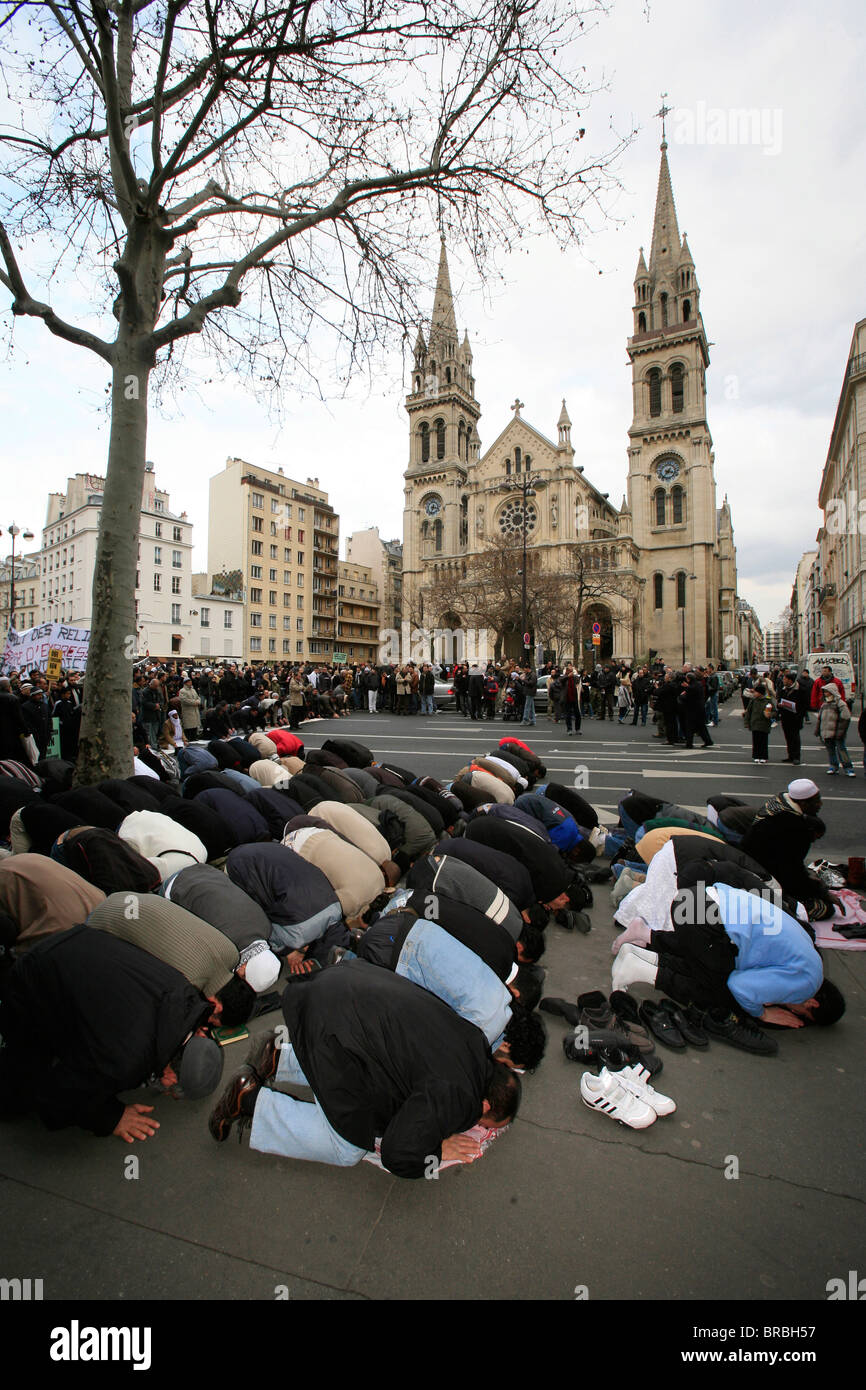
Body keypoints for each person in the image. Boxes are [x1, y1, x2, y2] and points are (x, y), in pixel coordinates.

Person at [208, 959, 520, 1175]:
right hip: (330, 1025)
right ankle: (250, 1100)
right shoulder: (457, 1096)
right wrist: (436, 1152)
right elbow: (398, 1155)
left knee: (371, 1082)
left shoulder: (475, 1043)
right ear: (483, 1104)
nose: (478, 1129)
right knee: (348, 1148)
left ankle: (279, 1057)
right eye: (486, 1124)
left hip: (343, 983)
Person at [0, 925, 223, 1139]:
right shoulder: (125, 1060)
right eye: (173, 1085)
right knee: (25, 1075)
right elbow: (62, 1094)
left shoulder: (185, 998)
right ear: (171, 1075)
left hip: (74, 942)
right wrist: (111, 1117)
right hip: (34, 977)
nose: (167, 1087)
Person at [611, 883, 844, 1051]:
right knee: (718, 989)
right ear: (812, 1002)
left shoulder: (814, 963)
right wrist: (763, 1013)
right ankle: (640, 971)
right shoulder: (806, 985)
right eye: (799, 1011)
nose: (792, 1007)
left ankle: (637, 955)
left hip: (698, 898)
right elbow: (739, 985)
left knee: (710, 965)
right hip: (705, 915)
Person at [815, 684, 854, 776]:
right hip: (827, 731)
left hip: (837, 732)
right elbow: (820, 718)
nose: (825, 693)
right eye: (824, 692)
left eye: (827, 691)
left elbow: (846, 718)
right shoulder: (824, 704)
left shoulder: (840, 703)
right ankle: (833, 766)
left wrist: (841, 731)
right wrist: (818, 730)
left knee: (841, 750)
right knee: (830, 750)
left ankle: (848, 767)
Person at [744, 679, 774, 763]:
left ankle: (763, 756)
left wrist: (770, 715)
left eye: (755, 692)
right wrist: (746, 722)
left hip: (764, 724)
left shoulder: (768, 701)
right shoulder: (753, 701)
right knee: (756, 741)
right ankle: (756, 756)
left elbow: (774, 712)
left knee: (763, 741)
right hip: (755, 724)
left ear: (760, 693)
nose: (754, 693)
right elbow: (748, 712)